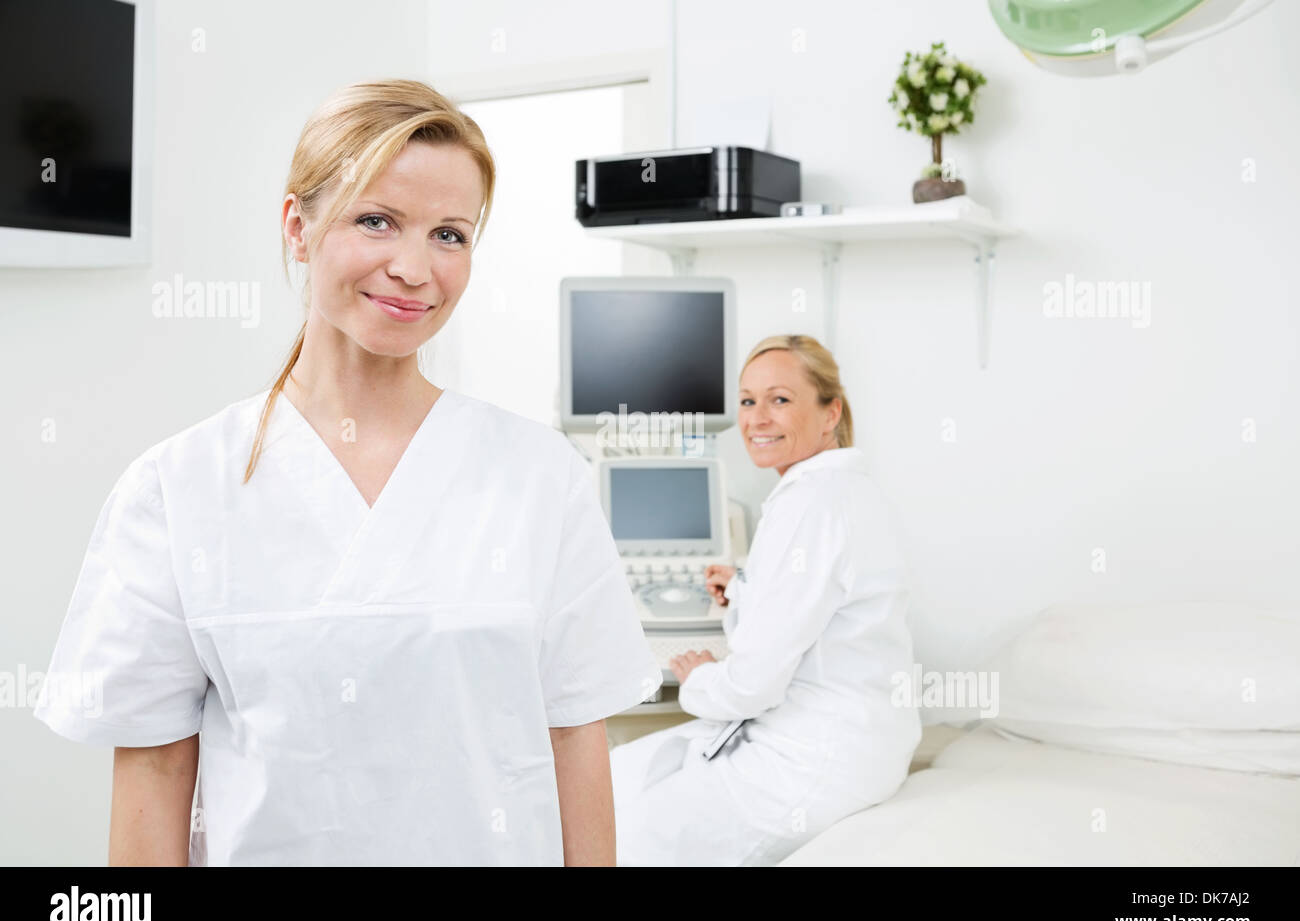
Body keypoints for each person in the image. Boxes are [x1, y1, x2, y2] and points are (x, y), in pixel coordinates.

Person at [33, 79, 661, 866]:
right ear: (297, 227)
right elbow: (156, 768)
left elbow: (574, 736)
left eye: (450, 235)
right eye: (376, 221)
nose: (414, 268)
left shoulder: (540, 477)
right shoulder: (178, 489)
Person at [609, 334, 922, 866]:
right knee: (618, 772)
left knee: (620, 827)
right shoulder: (844, 490)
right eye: (748, 400)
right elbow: (816, 600)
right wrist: (743, 586)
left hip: (813, 759)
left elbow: (751, 686)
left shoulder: (809, 504)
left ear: (830, 412)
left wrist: (700, 678)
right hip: (859, 740)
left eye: (779, 399)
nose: (757, 418)